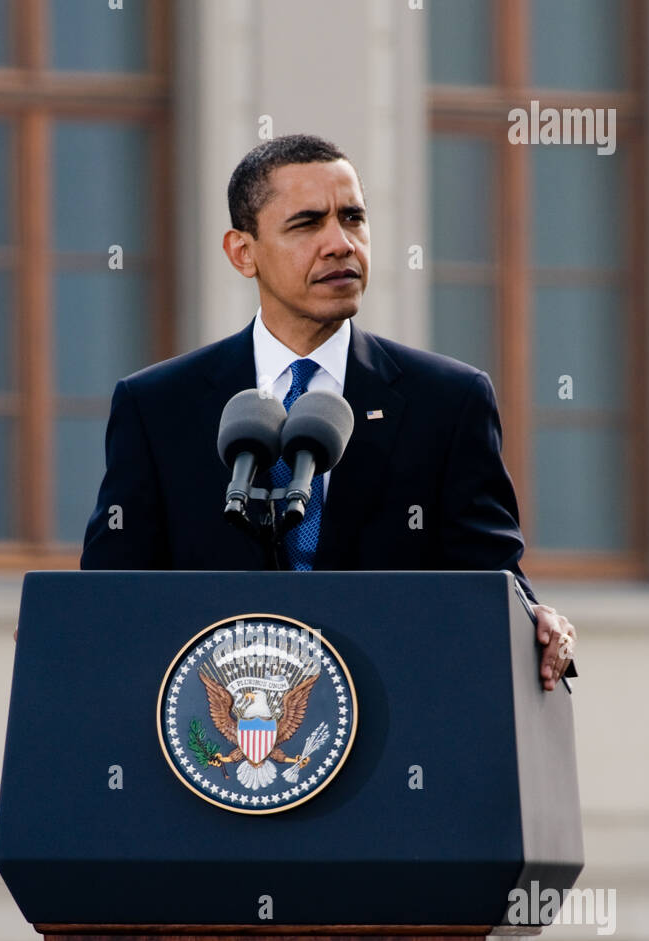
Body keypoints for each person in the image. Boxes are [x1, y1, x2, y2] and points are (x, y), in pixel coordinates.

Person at [80, 133, 576, 690]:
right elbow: (110, 592)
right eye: (307, 223)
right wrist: (67, 631)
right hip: (215, 737)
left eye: (353, 219)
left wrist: (534, 618)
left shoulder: (449, 400)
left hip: (393, 727)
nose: (341, 243)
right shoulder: (157, 406)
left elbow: (492, 580)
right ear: (243, 252)